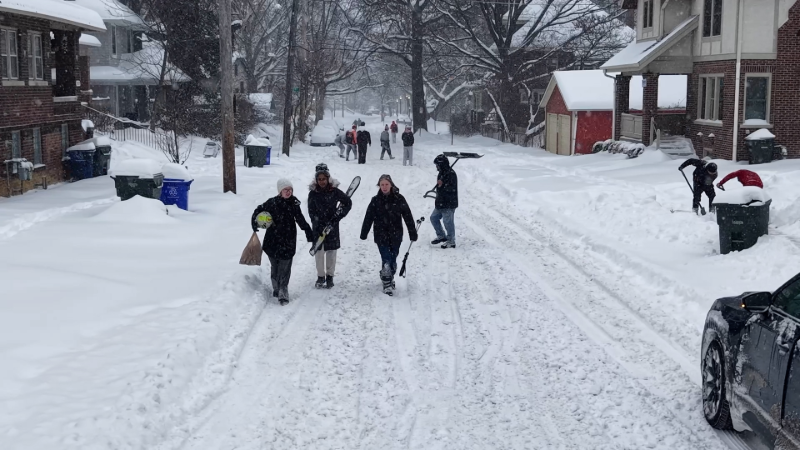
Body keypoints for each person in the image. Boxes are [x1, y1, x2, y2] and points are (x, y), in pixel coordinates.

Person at [251, 179, 314, 305]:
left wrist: (308, 230)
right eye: (286, 189)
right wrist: (254, 222)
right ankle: (276, 287)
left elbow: (300, 219)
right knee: (275, 266)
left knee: (285, 268)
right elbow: (258, 210)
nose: (288, 192)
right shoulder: (272, 203)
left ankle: (283, 291)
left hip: (288, 240)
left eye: (290, 189)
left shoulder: (294, 204)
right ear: (280, 191)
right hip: (272, 240)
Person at [360, 174, 418, 296]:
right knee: (386, 258)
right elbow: (368, 217)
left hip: (396, 234)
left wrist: (412, 232)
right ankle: (387, 283)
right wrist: (364, 232)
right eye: (382, 185)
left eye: (386, 184)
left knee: (393, 258)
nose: (384, 187)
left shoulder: (399, 199)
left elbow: (407, 216)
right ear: (379, 186)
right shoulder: (375, 201)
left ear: (391, 185)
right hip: (380, 234)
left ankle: (389, 275)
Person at [308, 164, 352, 289]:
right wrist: (317, 222)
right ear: (316, 180)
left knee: (332, 251)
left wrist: (338, 216)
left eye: (324, 179)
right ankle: (320, 276)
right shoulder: (313, 194)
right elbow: (311, 211)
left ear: (328, 178)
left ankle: (330, 276)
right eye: (319, 179)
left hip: (332, 226)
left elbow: (347, 203)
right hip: (318, 227)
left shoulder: (335, 192)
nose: (322, 181)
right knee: (319, 252)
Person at [430, 154, 458, 249]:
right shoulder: (441, 173)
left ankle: (451, 241)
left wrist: (443, 185)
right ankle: (441, 236)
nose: (436, 167)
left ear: (441, 164)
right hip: (440, 202)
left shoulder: (451, 174)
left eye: (437, 165)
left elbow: (452, 189)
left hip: (449, 203)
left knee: (448, 222)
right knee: (433, 218)